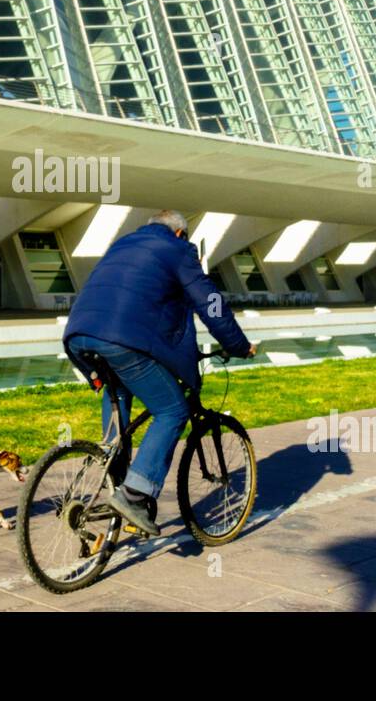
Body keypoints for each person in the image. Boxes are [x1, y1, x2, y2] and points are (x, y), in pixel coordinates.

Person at [63, 210, 255, 536]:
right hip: (122, 339)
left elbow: (141, 301)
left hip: (80, 335)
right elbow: (210, 303)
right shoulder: (177, 250)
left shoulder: (123, 244)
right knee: (172, 410)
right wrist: (238, 344)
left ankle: (112, 472)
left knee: (119, 394)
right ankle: (134, 496)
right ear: (180, 234)